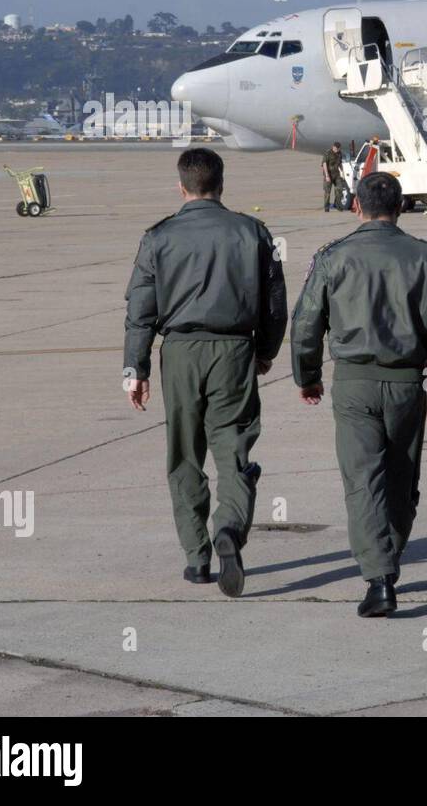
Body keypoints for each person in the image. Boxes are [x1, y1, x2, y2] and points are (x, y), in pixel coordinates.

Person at [290, 172, 427, 618]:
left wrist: (307, 376)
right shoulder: (426, 257)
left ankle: (379, 577)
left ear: (356, 205)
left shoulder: (333, 258)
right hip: (409, 382)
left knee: (364, 482)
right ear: (401, 206)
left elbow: (307, 322)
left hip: (354, 382)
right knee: (402, 480)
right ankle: (387, 560)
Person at [123, 147, 288, 597]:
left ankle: (197, 559)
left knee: (184, 455)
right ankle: (229, 528)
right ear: (221, 183)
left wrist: (134, 368)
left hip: (179, 352)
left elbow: (140, 309)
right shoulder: (252, 232)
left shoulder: (158, 237)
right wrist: (266, 352)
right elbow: (275, 304)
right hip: (234, 349)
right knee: (232, 450)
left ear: (181, 186)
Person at [322, 141, 346, 212]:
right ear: (333, 147)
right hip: (329, 174)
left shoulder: (339, 153)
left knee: (339, 189)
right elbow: (324, 164)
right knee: (327, 192)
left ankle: (338, 206)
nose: (337, 150)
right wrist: (327, 176)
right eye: (336, 148)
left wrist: (343, 173)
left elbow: (340, 164)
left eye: (338, 149)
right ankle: (326, 207)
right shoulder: (328, 153)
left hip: (336, 175)